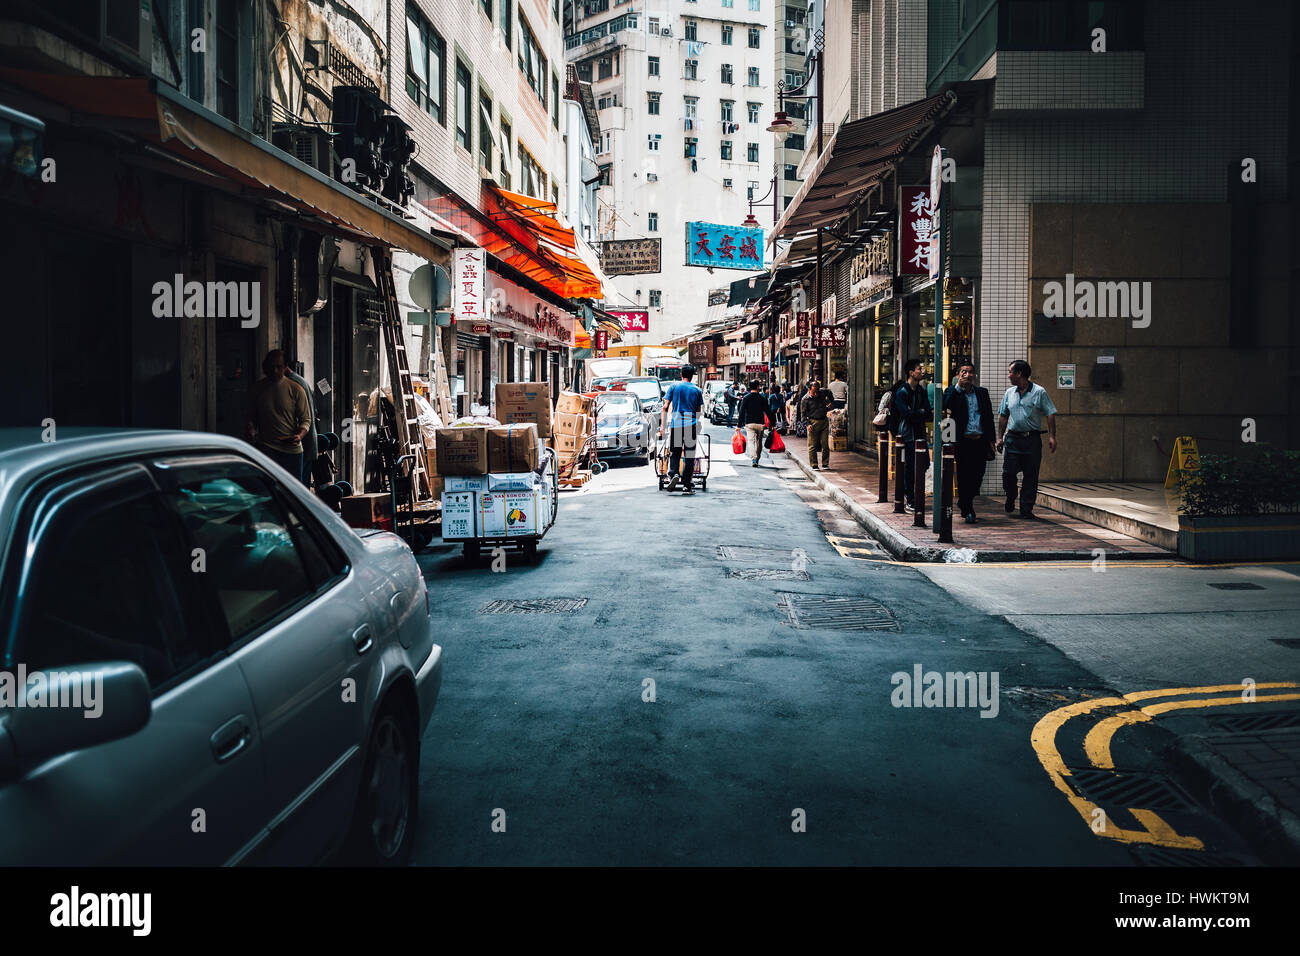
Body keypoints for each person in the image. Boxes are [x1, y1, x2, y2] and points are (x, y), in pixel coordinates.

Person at [996, 359, 1058, 519]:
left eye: (1010, 372)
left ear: (1019, 374)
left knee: (1031, 475)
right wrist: (999, 437)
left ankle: (1026, 508)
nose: (1008, 375)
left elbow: (1050, 413)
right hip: (1013, 439)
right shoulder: (1009, 393)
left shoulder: (1039, 392)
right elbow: (1003, 415)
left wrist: (1052, 436)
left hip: (1032, 440)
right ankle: (1011, 496)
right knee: (1008, 473)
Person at [942, 361, 995, 523]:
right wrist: (958, 387)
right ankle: (968, 507)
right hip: (963, 441)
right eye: (964, 372)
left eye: (971, 372)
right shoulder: (952, 392)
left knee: (978, 475)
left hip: (980, 441)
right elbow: (945, 406)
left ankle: (965, 501)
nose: (968, 375)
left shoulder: (982, 393)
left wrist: (992, 439)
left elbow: (988, 417)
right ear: (958, 375)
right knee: (964, 475)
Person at [246, 349, 311, 480]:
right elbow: (250, 415)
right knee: (270, 490)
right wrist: (251, 428)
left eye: (278, 367)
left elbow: (306, 420)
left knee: (293, 493)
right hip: (266, 449)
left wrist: (299, 435)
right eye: (271, 367)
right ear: (265, 367)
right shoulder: (256, 389)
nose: (274, 371)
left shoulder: (296, 389)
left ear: (285, 367)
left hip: (292, 451)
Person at [893, 358, 932, 512]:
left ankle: (913, 494)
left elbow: (928, 412)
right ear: (911, 372)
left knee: (924, 465)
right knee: (909, 467)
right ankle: (910, 498)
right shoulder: (902, 392)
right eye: (919, 369)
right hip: (907, 435)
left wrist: (918, 413)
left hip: (920, 434)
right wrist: (919, 413)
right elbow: (906, 414)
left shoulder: (921, 391)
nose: (922, 371)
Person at [660, 364, 705, 494]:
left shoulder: (674, 387)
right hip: (690, 426)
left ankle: (674, 474)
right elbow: (698, 411)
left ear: (681, 374)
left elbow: (665, 407)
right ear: (692, 376)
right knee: (690, 456)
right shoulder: (697, 390)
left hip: (676, 425)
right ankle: (687, 484)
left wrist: (662, 426)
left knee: (675, 453)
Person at [284, 361, 317, 487]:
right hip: (306, 442)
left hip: (302, 443)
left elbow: (303, 418)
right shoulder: (300, 381)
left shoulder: (293, 383)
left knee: (298, 487)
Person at [801, 379, 832, 470]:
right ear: (809, 390)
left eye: (817, 391)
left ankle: (825, 463)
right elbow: (803, 414)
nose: (815, 394)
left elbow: (829, 392)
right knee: (812, 445)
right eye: (813, 392)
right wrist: (807, 424)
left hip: (824, 421)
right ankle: (814, 464)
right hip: (812, 422)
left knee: (825, 444)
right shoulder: (805, 399)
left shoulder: (822, 392)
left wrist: (830, 401)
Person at [737, 380, 769, 467]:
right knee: (759, 442)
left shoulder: (746, 398)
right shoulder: (762, 398)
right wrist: (772, 424)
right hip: (760, 424)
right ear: (758, 387)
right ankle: (757, 458)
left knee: (751, 441)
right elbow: (768, 411)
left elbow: (741, 412)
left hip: (749, 423)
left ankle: (753, 458)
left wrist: (739, 425)